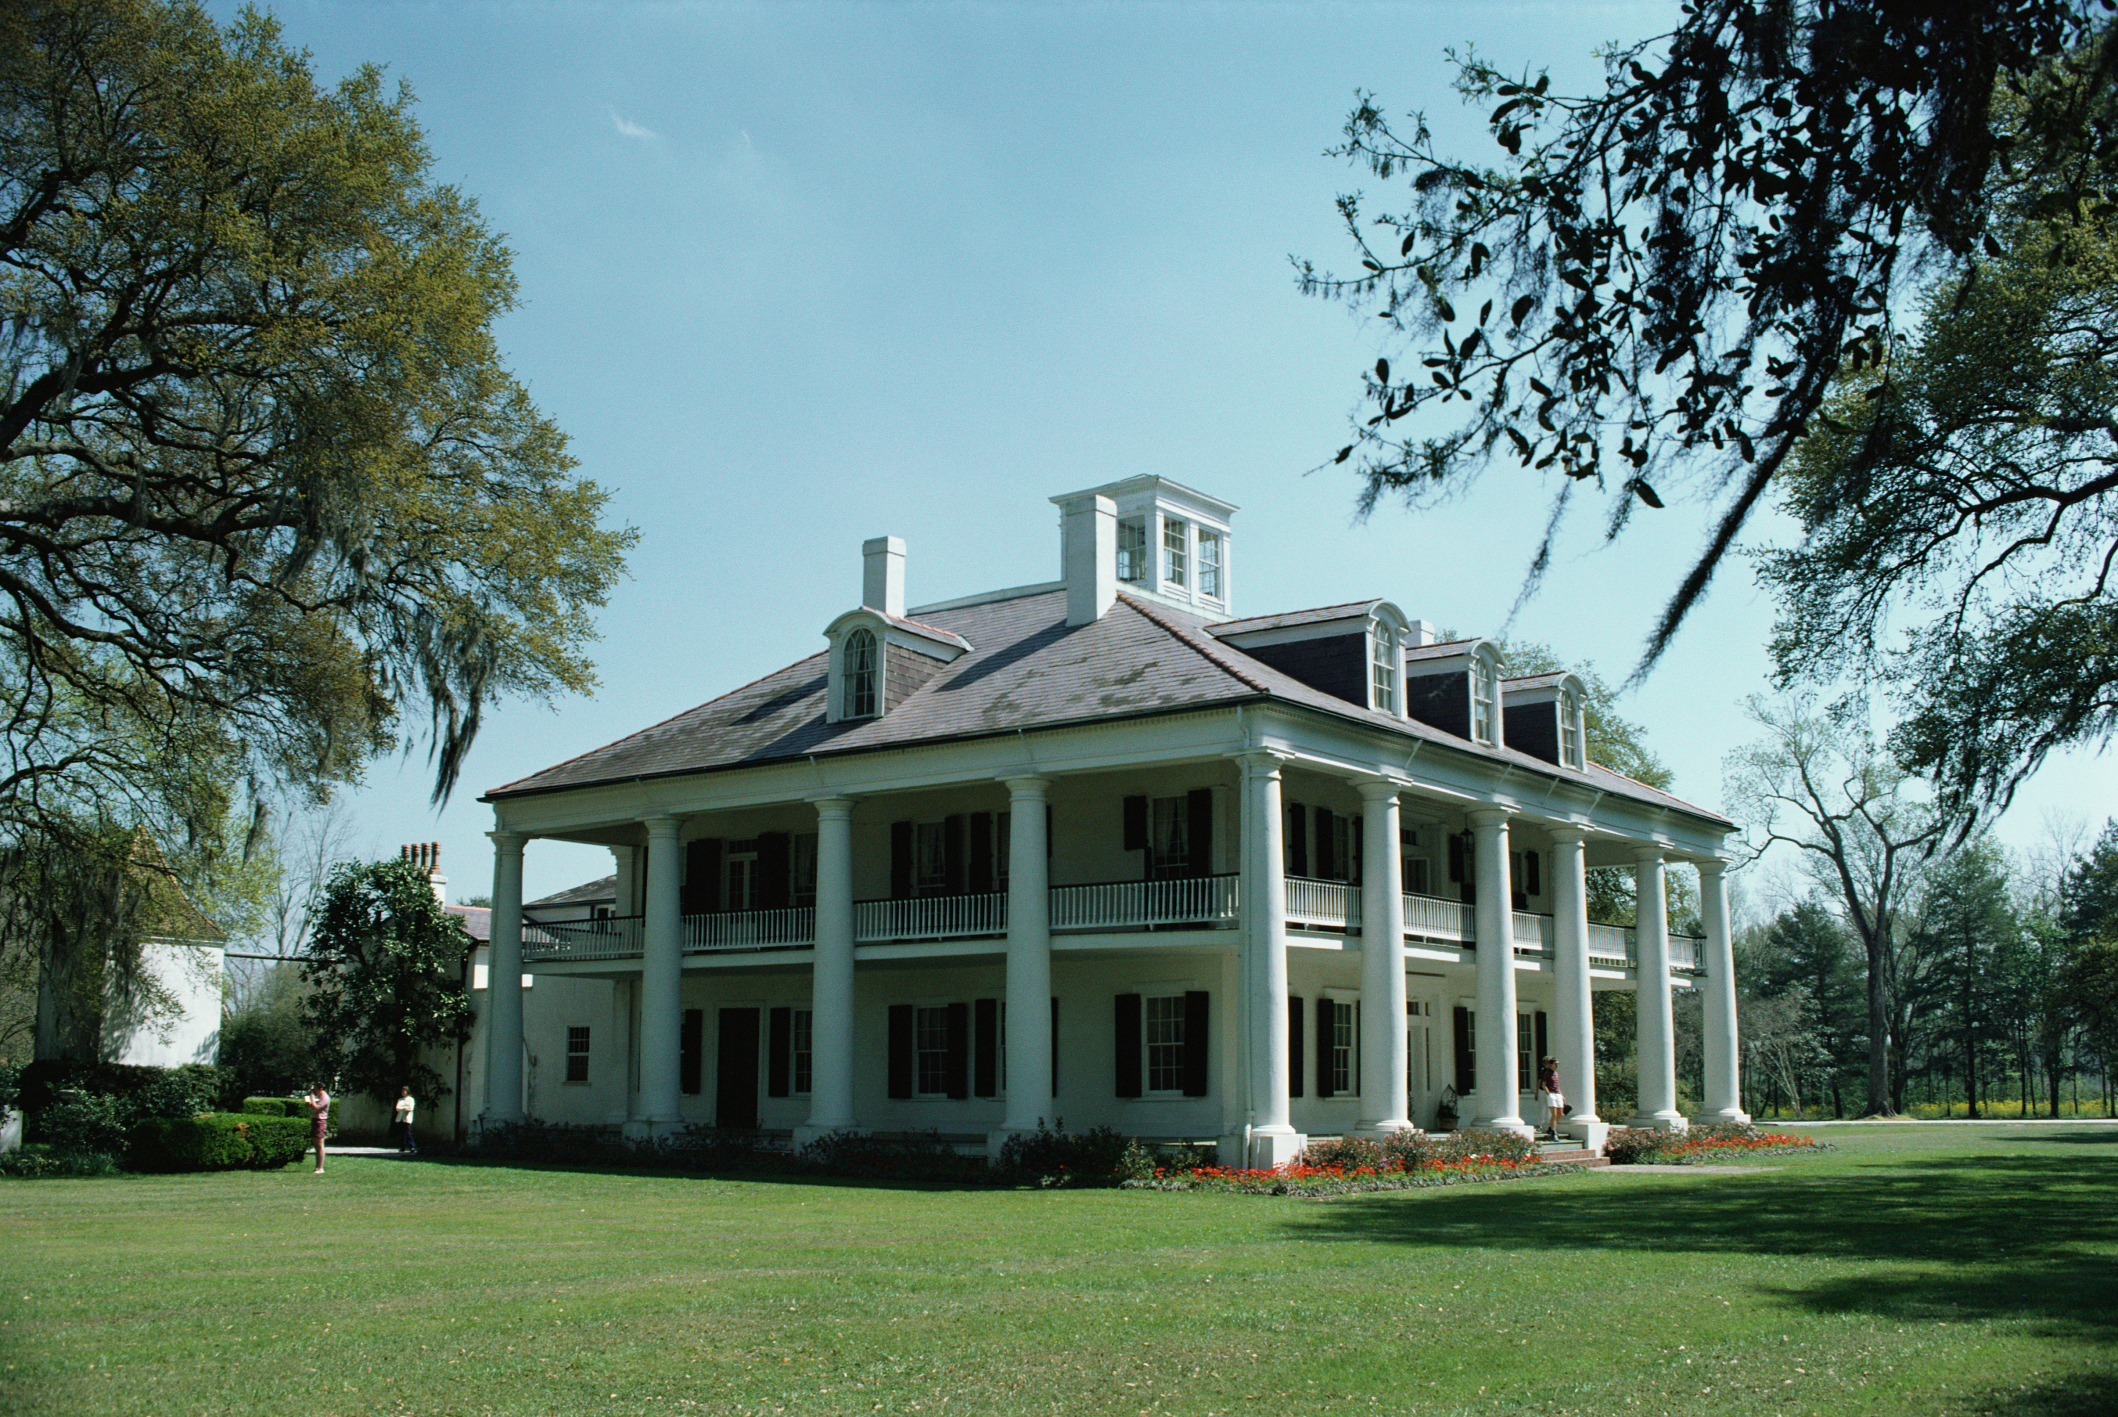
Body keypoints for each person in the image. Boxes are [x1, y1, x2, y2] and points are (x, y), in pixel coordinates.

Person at [304, 1081, 331, 1173]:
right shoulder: (319, 1097)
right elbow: (311, 1107)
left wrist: (311, 1098)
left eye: (315, 1089)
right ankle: (317, 1167)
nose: (314, 1091)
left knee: (320, 1145)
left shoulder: (325, 1098)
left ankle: (320, 1168)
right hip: (315, 1120)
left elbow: (316, 1108)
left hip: (320, 1122)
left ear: (320, 1089)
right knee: (316, 1145)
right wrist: (309, 1102)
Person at [1536, 1056, 1565, 1141]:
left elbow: (1557, 1085)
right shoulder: (1546, 1072)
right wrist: (1548, 1094)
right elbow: (1543, 1084)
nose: (1557, 1066)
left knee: (1560, 1114)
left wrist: (1561, 1095)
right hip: (1551, 1094)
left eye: (1558, 1064)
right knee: (1554, 1113)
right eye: (1555, 1064)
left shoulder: (1556, 1073)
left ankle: (1551, 1127)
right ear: (1551, 1064)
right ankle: (1553, 1132)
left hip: (1557, 1094)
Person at [393, 1086, 418, 1155]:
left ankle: (412, 1147)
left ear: (407, 1092)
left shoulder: (410, 1099)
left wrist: (403, 1108)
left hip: (406, 1118)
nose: (403, 1092)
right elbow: (397, 1108)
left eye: (404, 1091)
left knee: (408, 1133)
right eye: (402, 1091)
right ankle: (402, 1147)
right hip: (400, 1118)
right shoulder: (400, 1100)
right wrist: (404, 1107)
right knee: (402, 1134)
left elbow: (410, 1108)